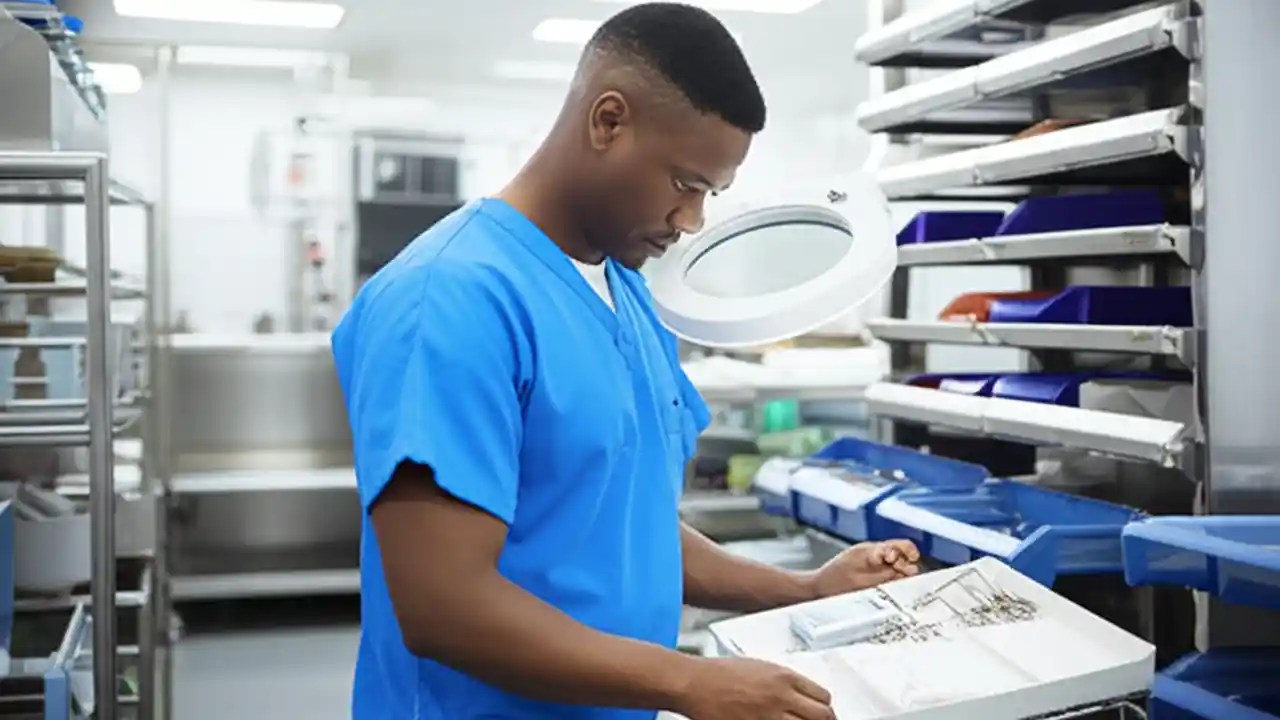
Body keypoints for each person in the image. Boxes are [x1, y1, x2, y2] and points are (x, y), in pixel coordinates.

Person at [331, 3, 920, 719]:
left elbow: (621, 521)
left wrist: (802, 590)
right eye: (685, 183)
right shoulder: (450, 299)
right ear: (608, 122)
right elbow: (443, 605)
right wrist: (689, 682)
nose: (692, 220)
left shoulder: (626, 291)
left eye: (709, 193)